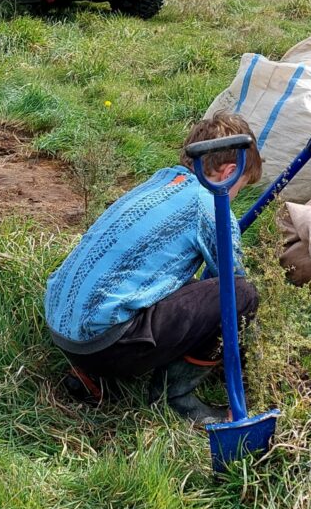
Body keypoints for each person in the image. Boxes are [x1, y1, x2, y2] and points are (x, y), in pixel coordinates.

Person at [44, 114, 263, 426]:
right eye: (240, 186)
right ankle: (175, 397)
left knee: (178, 284)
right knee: (241, 294)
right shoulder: (209, 203)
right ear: (229, 172)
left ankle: (90, 373)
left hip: (62, 328)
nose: (236, 193)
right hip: (108, 346)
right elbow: (228, 283)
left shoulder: (161, 181)